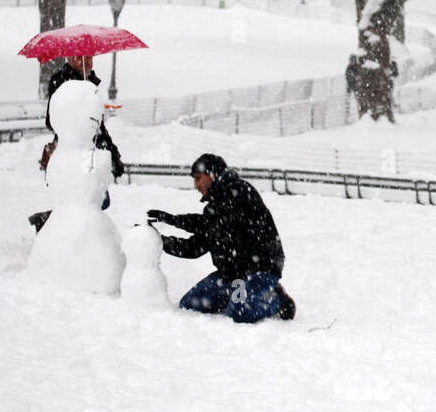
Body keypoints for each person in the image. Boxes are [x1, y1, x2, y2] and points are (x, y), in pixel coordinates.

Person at [147, 154, 295, 323]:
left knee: (239, 314)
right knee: (190, 304)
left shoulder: (240, 191)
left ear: (212, 174)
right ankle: (239, 297)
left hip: (259, 270)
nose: (196, 185)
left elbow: (216, 223)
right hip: (232, 276)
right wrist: (158, 240)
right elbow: (194, 248)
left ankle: (277, 299)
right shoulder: (212, 210)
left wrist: (173, 220)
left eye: (198, 178)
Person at [29, 55, 124, 231]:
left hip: (89, 149)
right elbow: (51, 122)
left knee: (95, 199)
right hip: (70, 150)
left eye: (90, 58)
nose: (87, 62)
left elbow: (98, 126)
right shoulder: (61, 81)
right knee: (86, 199)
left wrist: (113, 154)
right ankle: (59, 230)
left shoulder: (91, 83)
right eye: (82, 58)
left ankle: (53, 225)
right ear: (70, 59)